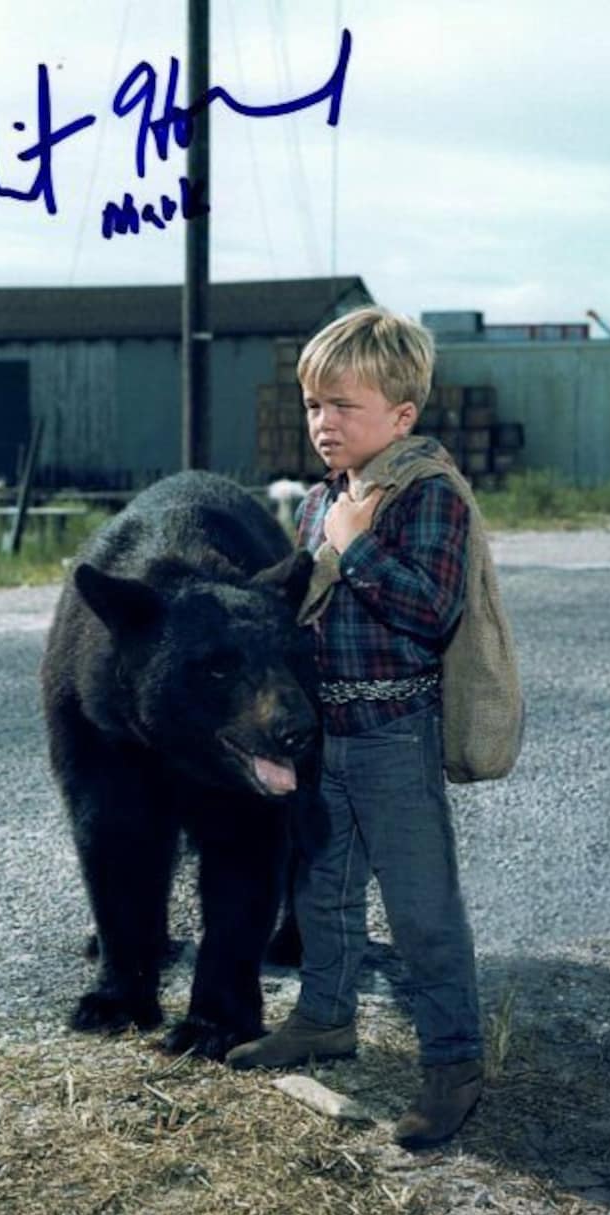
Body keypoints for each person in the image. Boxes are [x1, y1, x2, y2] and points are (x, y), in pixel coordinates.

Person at [227, 306, 484, 1150]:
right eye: (312, 406)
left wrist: (356, 545)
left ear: (402, 416)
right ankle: (325, 1020)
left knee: (422, 911)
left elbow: (434, 609)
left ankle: (454, 1063)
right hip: (324, 735)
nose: (322, 424)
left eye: (343, 406)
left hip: (393, 733)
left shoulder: (428, 495)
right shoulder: (316, 503)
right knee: (322, 891)